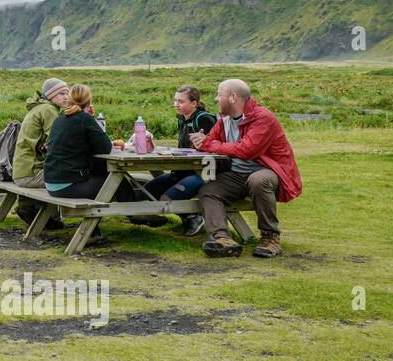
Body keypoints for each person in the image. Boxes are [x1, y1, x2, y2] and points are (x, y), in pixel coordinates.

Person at [191, 79, 302, 258]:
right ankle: (222, 239)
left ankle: (270, 238)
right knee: (209, 190)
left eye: (219, 95)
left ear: (233, 97)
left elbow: (247, 150)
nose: (215, 99)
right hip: (237, 174)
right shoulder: (224, 119)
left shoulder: (263, 118)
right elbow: (209, 141)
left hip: (268, 170)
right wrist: (201, 141)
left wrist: (209, 144)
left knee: (258, 180)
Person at [143, 85, 219, 236]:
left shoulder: (204, 119)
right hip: (182, 171)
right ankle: (189, 216)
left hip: (203, 172)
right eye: (175, 100)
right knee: (148, 191)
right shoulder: (182, 119)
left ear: (194, 103)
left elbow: (217, 147)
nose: (176, 104)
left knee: (167, 198)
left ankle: (193, 217)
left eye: (181, 101)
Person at [44, 84, 137, 203]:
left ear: (70, 99)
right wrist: (90, 119)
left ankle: (133, 212)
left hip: (51, 182)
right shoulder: (84, 118)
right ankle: (138, 216)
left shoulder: (60, 119)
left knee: (102, 170)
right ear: (89, 102)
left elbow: (80, 141)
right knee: (118, 182)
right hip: (67, 185)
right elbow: (106, 148)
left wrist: (89, 119)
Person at [11, 77, 70, 226]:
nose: (66, 97)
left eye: (67, 93)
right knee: (72, 177)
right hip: (29, 173)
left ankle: (29, 208)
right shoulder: (49, 110)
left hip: (21, 170)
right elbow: (59, 141)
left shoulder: (39, 107)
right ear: (50, 95)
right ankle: (49, 215)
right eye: (62, 93)